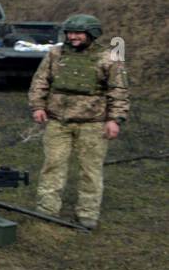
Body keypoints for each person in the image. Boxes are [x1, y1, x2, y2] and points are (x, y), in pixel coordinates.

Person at [28, 14, 128, 230]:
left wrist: (115, 119)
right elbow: (40, 81)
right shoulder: (55, 54)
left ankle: (87, 214)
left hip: (93, 124)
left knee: (90, 170)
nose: (72, 37)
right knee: (53, 165)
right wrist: (37, 106)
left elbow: (118, 90)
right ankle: (47, 209)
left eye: (78, 33)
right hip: (58, 122)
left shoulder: (109, 58)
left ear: (91, 34)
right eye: (70, 33)